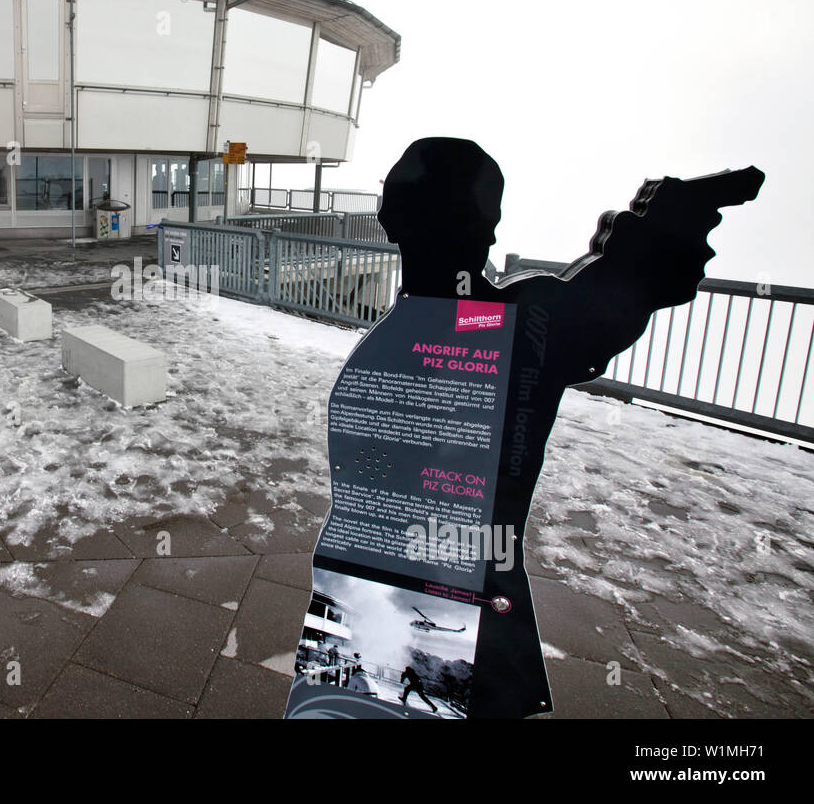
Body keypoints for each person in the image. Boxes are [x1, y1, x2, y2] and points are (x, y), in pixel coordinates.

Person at [289, 138, 763, 719]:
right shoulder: (507, 324)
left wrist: (666, 219)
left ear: (392, 219)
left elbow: (624, 286)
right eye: (485, 217)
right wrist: (668, 216)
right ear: (485, 225)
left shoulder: (415, 336)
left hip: (408, 589)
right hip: (455, 593)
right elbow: (626, 286)